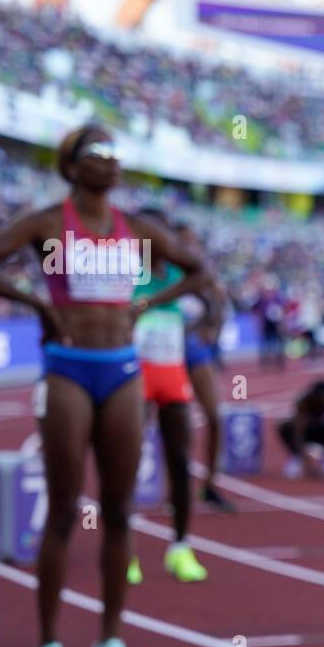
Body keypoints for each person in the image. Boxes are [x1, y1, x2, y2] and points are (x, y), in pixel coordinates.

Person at [0, 123, 212, 647]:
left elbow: (200, 271)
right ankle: (48, 644)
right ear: (71, 164)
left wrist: (146, 303)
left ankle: (110, 641)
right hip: (68, 372)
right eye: (97, 152)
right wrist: (36, 306)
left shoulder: (136, 229)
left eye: (116, 152)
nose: (111, 160)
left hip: (121, 371)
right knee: (65, 509)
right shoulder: (48, 224)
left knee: (119, 510)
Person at [125, 209, 212, 586]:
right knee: (128, 461)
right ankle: (125, 551)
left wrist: (161, 308)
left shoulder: (177, 271)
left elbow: (206, 282)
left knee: (180, 458)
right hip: (136, 373)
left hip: (172, 372)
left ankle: (180, 546)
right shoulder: (129, 270)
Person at [176, 223, 236, 514]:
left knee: (213, 415)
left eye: (192, 242)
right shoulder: (161, 270)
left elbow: (219, 303)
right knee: (167, 424)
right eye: (183, 242)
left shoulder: (203, 275)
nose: (189, 247)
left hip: (195, 350)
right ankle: (170, 487)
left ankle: (209, 485)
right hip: (163, 352)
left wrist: (209, 329)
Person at [279, 379, 324, 479]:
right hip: (309, 431)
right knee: (284, 426)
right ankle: (296, 457)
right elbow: (298, 432)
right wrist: (307, 463)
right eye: (322, 397)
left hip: (323, 431)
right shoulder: (304, 402)